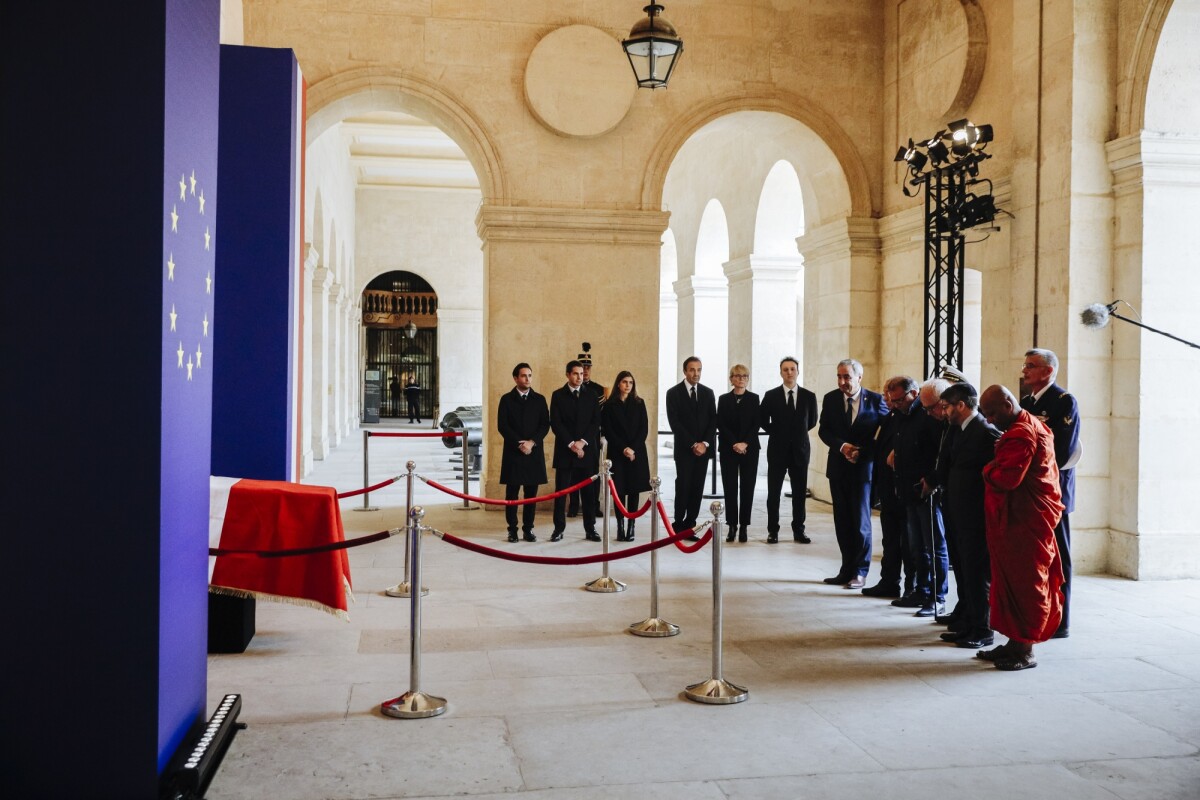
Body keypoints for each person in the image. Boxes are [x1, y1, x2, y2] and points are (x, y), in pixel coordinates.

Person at [977, 384, 1065, 671]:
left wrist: (986, 469)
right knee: (1012, 581)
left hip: (1024, 522)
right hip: (1018, 519)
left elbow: (1006, 478)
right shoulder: (1031, 422)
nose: (989, 420)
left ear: (1007, 404)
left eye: (991, 413)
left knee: (1026, 583)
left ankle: (1026, 650)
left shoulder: (1022, 435)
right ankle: (1015, 641)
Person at [1019, 348, 1080, 639]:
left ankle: (1062, 620)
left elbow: (1061, 450)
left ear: (1048, 371)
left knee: (1058, 555)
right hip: (1029, 490)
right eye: (1025, 365)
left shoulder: (1063, 402)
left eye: (1031, 366)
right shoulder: (1026, 401)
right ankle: (1040, 613)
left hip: (1053, 492)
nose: (1024, 370)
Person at [938, 382, 1001, 648]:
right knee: (964, 572)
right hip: (958, 514)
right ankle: (967, 621)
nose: (944, 412)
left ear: (960, 406)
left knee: (977, 574)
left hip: (975, 517)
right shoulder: (958, 429)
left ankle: (983, 628)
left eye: (947, 407)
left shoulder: (985, 432)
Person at [817, 359, 888, 587]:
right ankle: (845, 569)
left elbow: (885, 435)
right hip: (838, 469)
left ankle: (860, 571)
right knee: (843, 522)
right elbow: (824, 430)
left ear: (859, 377)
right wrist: (842, 446)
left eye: (846, 377)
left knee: (860, 522)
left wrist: (862, 452)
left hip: (863, 470)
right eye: (839, 377)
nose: (842, 382)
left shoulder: (876, 401)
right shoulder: (830, 399)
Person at [885, 375, 949, 617]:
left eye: (900, 399)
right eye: (892, 400)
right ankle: (921, 590)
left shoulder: (929, 416)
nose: (895, 404)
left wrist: (931, 482)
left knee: (935, 546)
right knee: (916, 546)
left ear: (913, 394)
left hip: (927, 490)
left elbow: (939, 454)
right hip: (908, 490)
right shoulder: (901, 415)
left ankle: (937, 596)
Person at [759, 357, 818, 544]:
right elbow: (762, 420)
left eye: (792, 369)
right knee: (773, 493)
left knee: (799, 494)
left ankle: (799, 530)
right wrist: (777, 432)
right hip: (777, 450)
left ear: (798, 371)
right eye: (785, 369)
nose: (789, 372)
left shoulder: (809, 396)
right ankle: (772, 530)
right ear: (781, 372)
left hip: (800, 451)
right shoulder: (771, 395)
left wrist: (796, 435)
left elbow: (812, 421)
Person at [496, 363, 550, 542]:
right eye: (524, 376)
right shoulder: (506, 399)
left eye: (530, 375)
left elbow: (544, 424)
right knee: (512, 494)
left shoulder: (540, 399)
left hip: (533, 452)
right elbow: (502, 426)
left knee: (530, 495)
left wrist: (532, 442)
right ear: (515, 378)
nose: (528, 379)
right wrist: (520, 443)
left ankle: (528, 529)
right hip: (514, 451)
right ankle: (512, 529)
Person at [550, 360, 601, 541]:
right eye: (575, 374)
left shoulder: (592, 395)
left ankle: (590, 528)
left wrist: (582, 442)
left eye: (581, 373)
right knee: (561, 493)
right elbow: (556, 423)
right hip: (565, 451)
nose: (579, 377)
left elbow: (595, 422)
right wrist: (572, 443)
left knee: (589, 494)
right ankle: (558, 529)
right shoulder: (558, 395)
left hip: (586, 452)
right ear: (567, 375)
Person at [665, 356, 717, 535]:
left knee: (697, 487)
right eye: (692, 370)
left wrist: (704, 443)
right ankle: (678, 523)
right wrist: (693, 444)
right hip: (684, 450)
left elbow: (713, 421)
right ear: (685, 371)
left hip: (703, 450)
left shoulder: (708, 393)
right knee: (683, 485)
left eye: (699, 370)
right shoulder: (673, 393)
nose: (696, 373)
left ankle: (690, 524)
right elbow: (675, 423)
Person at [601, 371, 650, 542]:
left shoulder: (639, 403)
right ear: (618, 384)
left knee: (634, 490)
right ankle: (620, 526)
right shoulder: (609, 405)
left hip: (636, 453)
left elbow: (644, 429)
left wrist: (632, 449)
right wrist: (624, 449)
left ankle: (631, 526)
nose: (628, 385)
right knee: (619, 490)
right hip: (618, 452)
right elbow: (608, 430)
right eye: (624, 382)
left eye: (631, 382)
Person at [716, 364, 760, 543]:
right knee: (730, 487)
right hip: (729, 448)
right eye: (737, 376)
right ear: (731, 379)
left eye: (744, 376)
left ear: (748, 379)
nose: (741, 379)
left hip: (749, 449)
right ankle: (732, 525)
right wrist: (735, 443)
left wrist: (744, 443)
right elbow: (721, 423)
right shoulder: (724, 399)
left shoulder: (754, 398)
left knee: (748, 488)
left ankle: (744, 526)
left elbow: (756, 423)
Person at [569, 349, 607, 517]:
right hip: (572, 439)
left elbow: (601, 416)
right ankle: (573, 505)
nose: (585, 371)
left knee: (593, 472)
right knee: (573, 474)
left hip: (592, 438)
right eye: (582, 367)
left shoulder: (598, 390)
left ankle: (593, 505)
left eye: (587, 367)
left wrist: (602, 436)